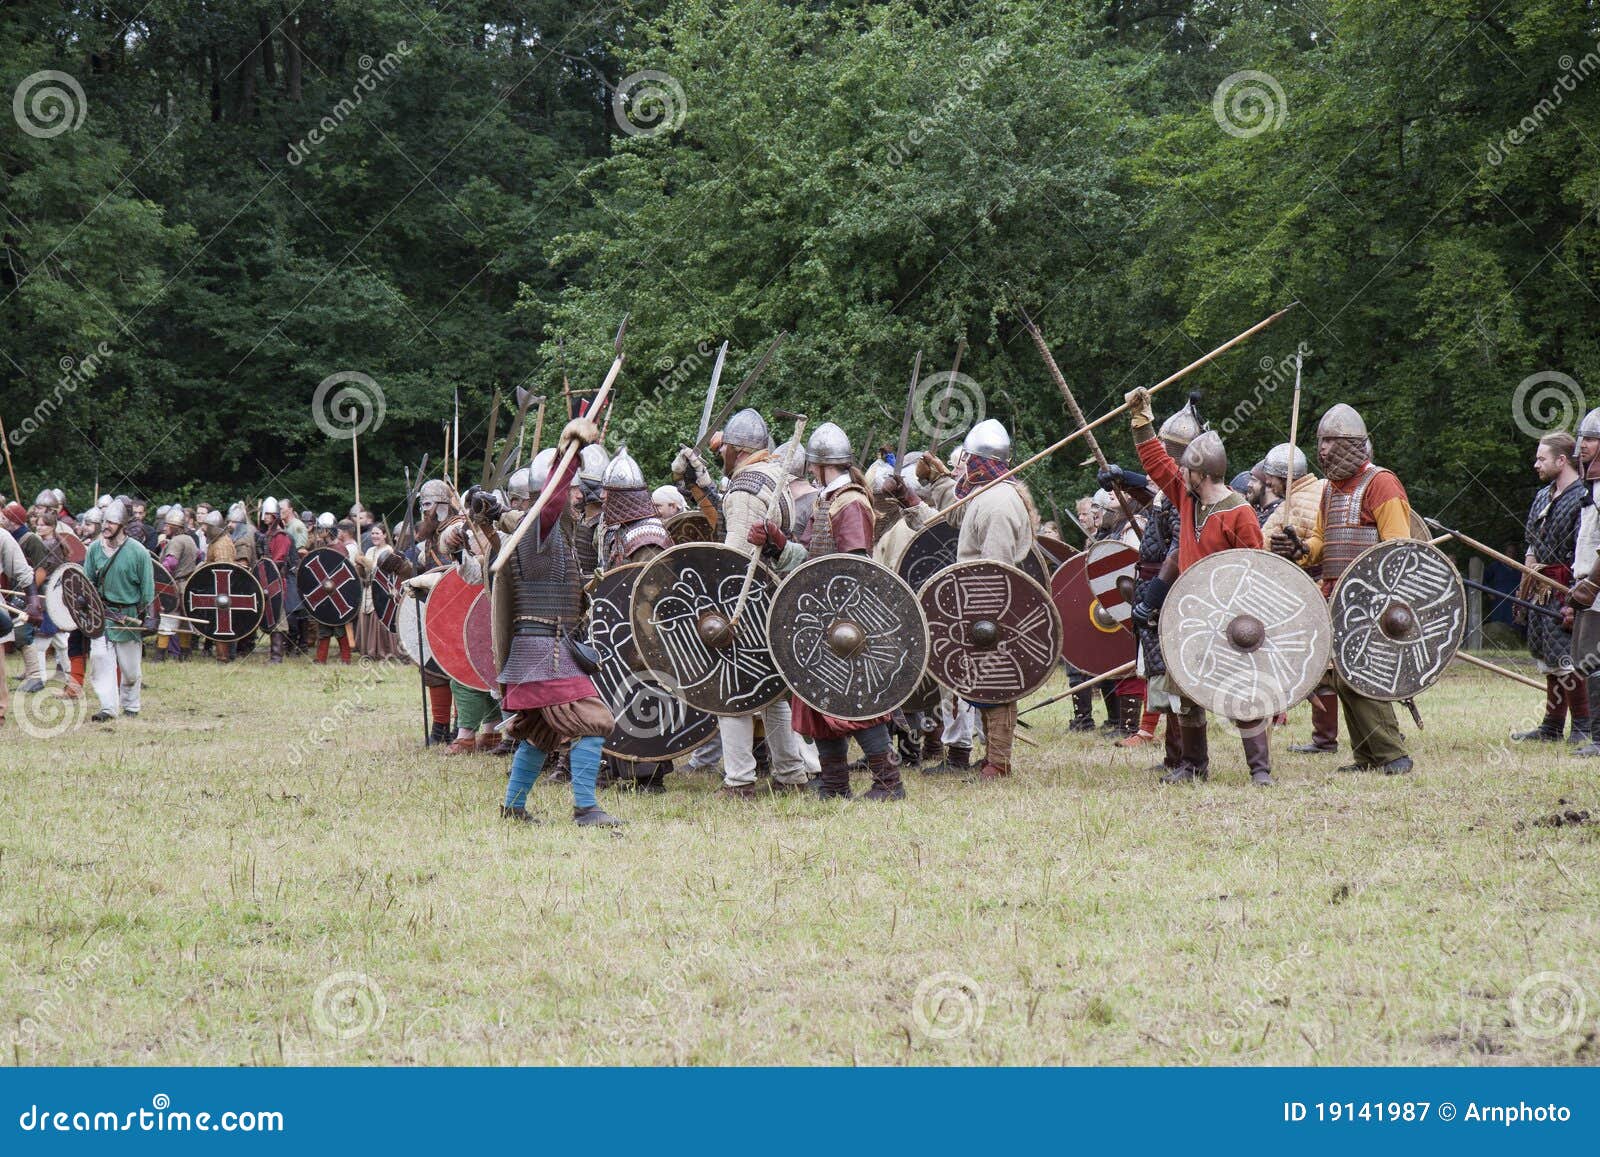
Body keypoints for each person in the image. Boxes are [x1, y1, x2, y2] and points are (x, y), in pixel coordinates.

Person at [1129, 389, 1274, 785]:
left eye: (1187, 470)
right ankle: (1193, 767)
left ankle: (1259, 770)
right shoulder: (1187, 497)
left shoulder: (1239, 513)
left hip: (1231, 616)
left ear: (1203, 474)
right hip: (1191, 613)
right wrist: (1141, 423)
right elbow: (1158, 464)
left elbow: (1254, 571)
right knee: (1187, 693)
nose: (1179, 474)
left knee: (1243, 692)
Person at [493, 416, 625, 827]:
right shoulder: (535, 529)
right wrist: (568, 453)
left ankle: (513, 808)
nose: (574, 496)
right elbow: (550, 503)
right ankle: (585, 808)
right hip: (543, 652)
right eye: (570, 489)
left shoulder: (554, 536)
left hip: (546, 648)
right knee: (594, 720)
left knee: (540, 733)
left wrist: (578, 451)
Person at [1270, 403, 1415, 775]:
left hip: (1371, 596)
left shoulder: (1381, 483)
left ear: (1352, 443)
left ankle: (1393, 754)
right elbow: (1324, 540)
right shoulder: (1330, 490)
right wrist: (1302, 550)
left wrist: (1387, 599)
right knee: (1343, 677)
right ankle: (1367, 755)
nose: (1323, 450)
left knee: (1363, 672)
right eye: (1321, 442)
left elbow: (1398, 548)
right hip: (1336, 592)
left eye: (1331, 442)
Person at [765, 423, 905, 800]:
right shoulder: (829, 499)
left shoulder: (852, 502)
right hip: (821, 615)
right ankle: (834, 784)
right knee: (818, 700)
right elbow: (811, 559)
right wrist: (777, 542)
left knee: (857, 702)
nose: (810, 471)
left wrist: (841, 617)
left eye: (813, 466)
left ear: (823, 465)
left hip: (848, 621)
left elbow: (856, 568)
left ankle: (889, 783)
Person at [697, 408, 812, 799]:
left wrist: (722, 605)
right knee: (771, 690)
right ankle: (791, 773)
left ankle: (741, 779)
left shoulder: (745, 485)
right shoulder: (775, 477)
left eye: (726, 448)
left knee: (732, 690)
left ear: (735, 449)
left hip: (746, 599)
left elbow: (737, 557)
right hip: (774, 595)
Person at [950, 418, 1040, 780]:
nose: (962, 469)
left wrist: (986, 614)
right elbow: (957, 520)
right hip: (979, 600)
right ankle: (991, 755)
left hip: (991, 604)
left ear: (977, 462)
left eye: (965, 461)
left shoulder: (998, 502)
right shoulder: (991, 494)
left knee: (996, 681)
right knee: (983, 679)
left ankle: (998, 762)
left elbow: (995, 566)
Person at [1258, 443, 1337, 755]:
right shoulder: (1325, 489)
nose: (1269, 484)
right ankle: (1328, 737)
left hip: (1310, 589)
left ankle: (1324, 738)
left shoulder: (1292, 505)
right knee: (1333, 666)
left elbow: (1261, 546)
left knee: (1318, 667)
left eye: (1272, 478)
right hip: (1334, 586)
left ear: (1283, 476)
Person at [1509, 432, 1585, 744]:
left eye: (1542, 458)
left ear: (1562, 460)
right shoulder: (1543, 496)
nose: (1536, 463)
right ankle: (1552, 726)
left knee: (1570, 659)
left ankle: (1583, 727)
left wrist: (1575, 594)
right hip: (1541, 586)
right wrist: (1528, 575)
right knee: (1549, 658)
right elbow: (1532, 541)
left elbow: (1584, 548)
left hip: (1567, 586)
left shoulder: (1583, 497)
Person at [83, 499, 155, 721]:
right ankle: (108, 708)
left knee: (130, 669)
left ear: (123, 524)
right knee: (100, 658)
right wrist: (82, 599)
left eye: (112, 522)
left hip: (128, 616)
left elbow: (148, 588)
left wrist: (151, 616)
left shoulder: (138, 552)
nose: (106, 526)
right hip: (102, 614)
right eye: (105, 521)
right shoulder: (94, 549)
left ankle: (131, 704)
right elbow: (87, 582)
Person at [155, 505, 199, 662]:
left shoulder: (176, 541)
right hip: (189, 585)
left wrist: (160, 570)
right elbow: (199, 556)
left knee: (168, 618)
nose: (165, 527)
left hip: (176, 585)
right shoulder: (189, 539)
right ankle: (185, 654)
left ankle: (159, 656)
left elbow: (170, 563)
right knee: (185, 622)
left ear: (175, 527)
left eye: (167, 525)